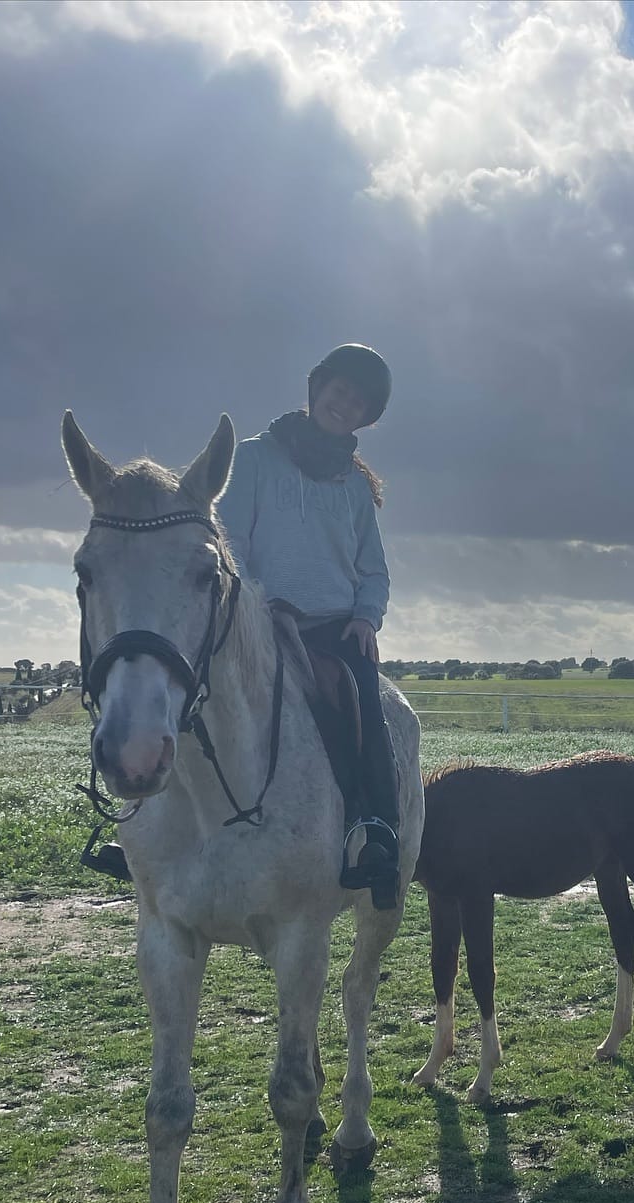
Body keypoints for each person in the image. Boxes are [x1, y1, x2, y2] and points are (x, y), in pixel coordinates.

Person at [220, 343, 403, 908]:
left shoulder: (353, 487)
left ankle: (375, 833)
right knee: (187, 691)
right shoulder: (252, 459)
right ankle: (145, 828)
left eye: (358, 402)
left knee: (367, 713)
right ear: (317, 389)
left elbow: (373, 570)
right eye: (340, 391)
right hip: (258, 623)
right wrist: (256, 606)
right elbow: (228, 541)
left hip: (333, 630)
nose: (344, 405)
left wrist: (366, 619)